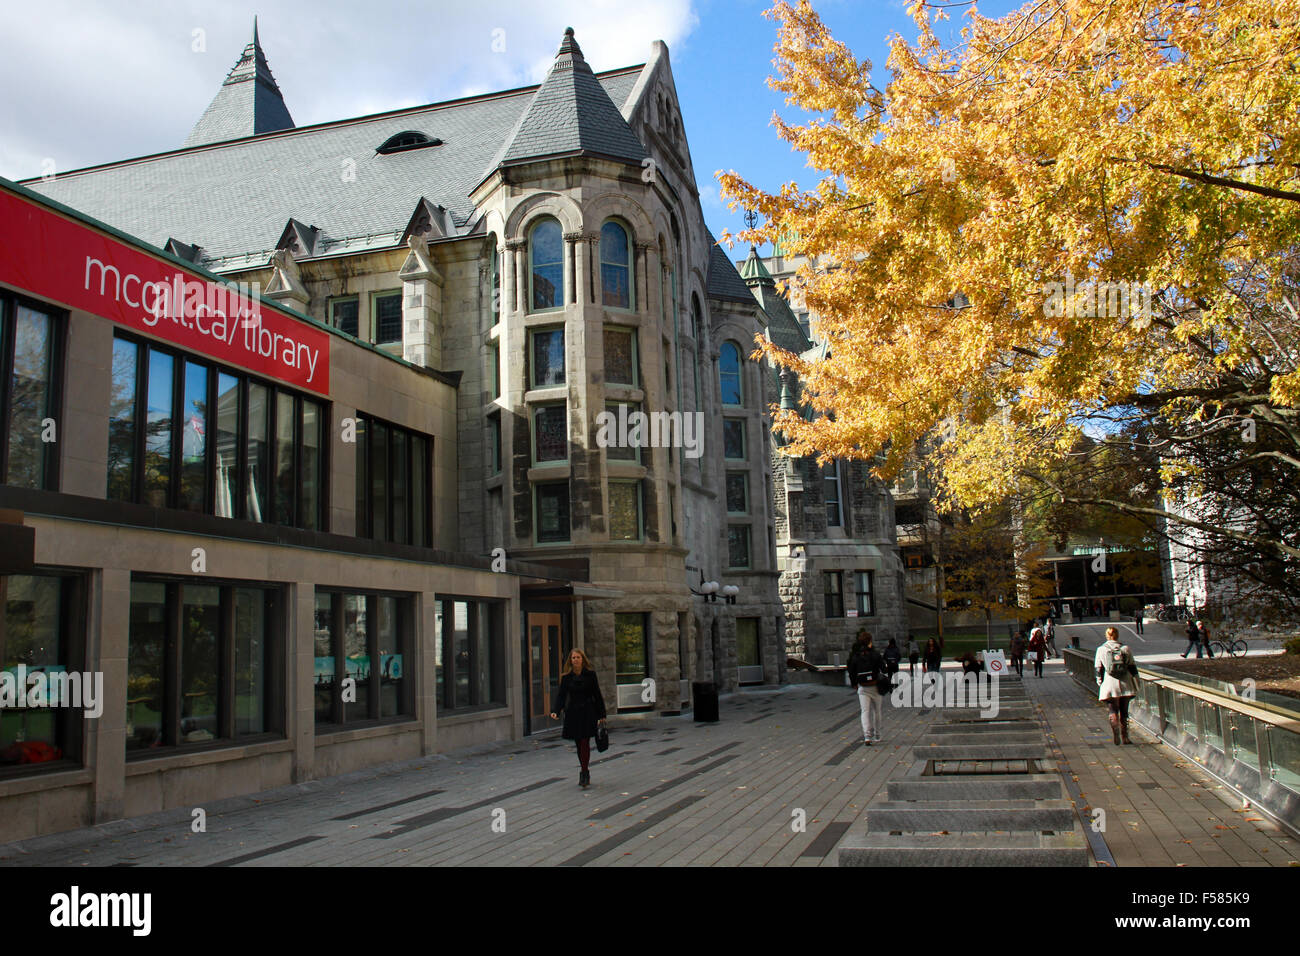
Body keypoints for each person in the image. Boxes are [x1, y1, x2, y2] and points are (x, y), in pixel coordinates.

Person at [549, 648, 607, 789]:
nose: (576, 660)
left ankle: (584, 772)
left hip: (588, 711)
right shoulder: (566, 677)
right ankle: (584, 768)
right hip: (573, 712)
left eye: (578, 657)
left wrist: (602, 715)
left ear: (583, 659)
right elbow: (561, 696)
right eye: (573, 658)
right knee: (578, 743)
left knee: (584, 742)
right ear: (570, 660)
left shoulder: (590, 675)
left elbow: (597, 695)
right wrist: (556, 711)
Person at [1094, 626, 1138, 744]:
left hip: (1109, 683)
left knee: (1113, 709)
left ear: (1107, 636)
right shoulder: (1125, 648)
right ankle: (1125, 737)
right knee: (1124, 710)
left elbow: (1098, 669)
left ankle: (1115, 732)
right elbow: (1132, 667)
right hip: (1125, 683)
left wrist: (1100, 682)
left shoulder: (1101, 650)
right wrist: (1136, 682)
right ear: (1117, 635)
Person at [847, 631, 885, 745]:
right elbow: (883, 668)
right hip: (876, 686)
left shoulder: (857, 655)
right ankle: (877, 735)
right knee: (877, 711)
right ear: (870, 641)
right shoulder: (875, 654)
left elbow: (851, 671)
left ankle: (867, 736)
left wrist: (854, 683)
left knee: (865, 711)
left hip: (863, 687)